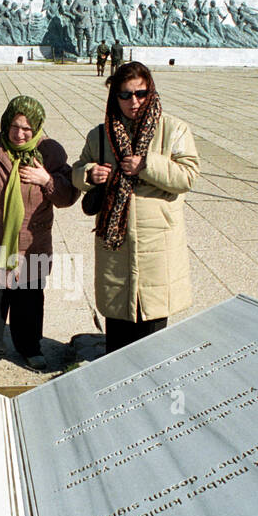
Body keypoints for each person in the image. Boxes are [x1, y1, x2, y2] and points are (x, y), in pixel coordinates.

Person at [73, 61, 199, 354]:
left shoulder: (174, 129)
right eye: (125, 95)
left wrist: (147, 165)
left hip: (157, 240)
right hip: (114, 243)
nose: (134, 102)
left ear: (151, 91)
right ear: (114, 97)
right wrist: (90, 173)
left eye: (140, 93)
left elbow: (187, 175)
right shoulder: (100, 134)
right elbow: (78, 169)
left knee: (152, 330)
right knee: (117, 326)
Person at [0, 96, 78, 374]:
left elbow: (68, 196)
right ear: (5, 122)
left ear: (36, 127)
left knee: (30, 299)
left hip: (32, 241)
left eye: (27, 128)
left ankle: (30, 348)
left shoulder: (50, 152)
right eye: (15, 126)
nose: (20, 134)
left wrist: (47, 180)